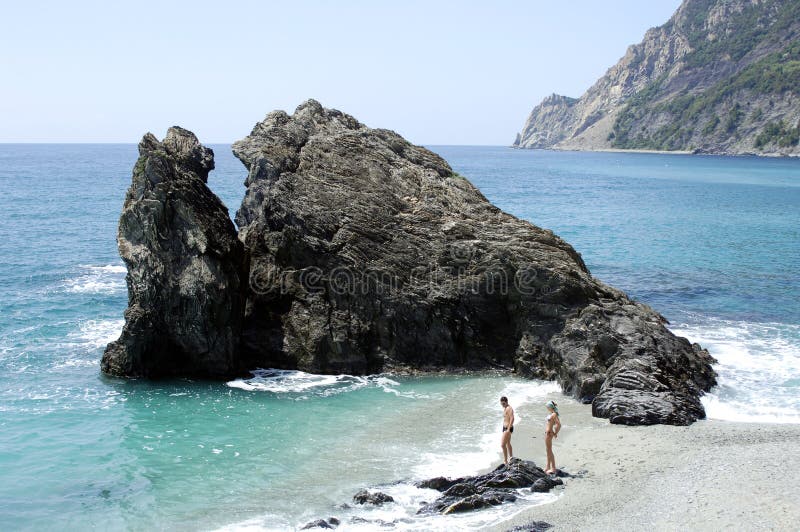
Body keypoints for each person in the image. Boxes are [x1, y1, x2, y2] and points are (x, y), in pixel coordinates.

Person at [544, 400, 561, 475]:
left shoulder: (554, 414)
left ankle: (553, 468)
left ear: (550, 407)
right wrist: (554, 433)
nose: (547, 408)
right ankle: (548, 467)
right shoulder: (552, 414)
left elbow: (559, 424)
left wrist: (555, 433)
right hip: (548, 433)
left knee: (549, 450)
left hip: (549, 434)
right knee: (548, 450)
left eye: (547, 407)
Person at [500, 396, 514, 465]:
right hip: (505, 427)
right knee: (508, 443)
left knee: (502, 445)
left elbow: (512, 418)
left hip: (507, 428)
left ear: (507, 402)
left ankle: (505, 461)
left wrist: (508, 429)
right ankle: (511, 457)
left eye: (504, 403)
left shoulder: (509, 408)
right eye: (502, 404)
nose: (503, 405)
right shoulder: (505, 408)